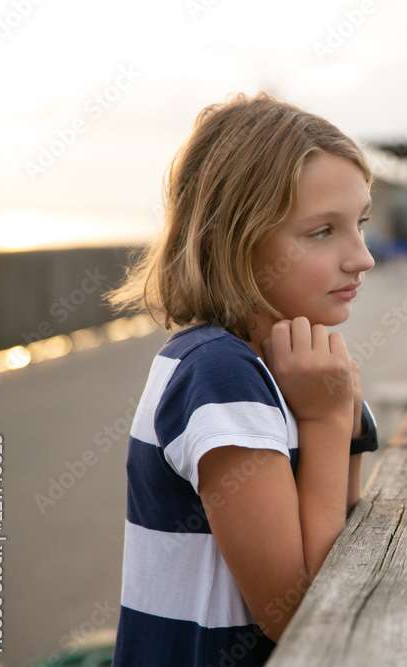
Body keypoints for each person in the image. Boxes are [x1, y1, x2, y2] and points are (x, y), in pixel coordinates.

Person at [104, 91, 380, 666]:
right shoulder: (218, 373)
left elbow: (348, 540)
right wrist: (328, 419)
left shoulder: (290, 370)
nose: (362, 257)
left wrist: (330, 412)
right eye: (323, 232)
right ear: (235, 242)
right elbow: (298, 612)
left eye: (360, 224)